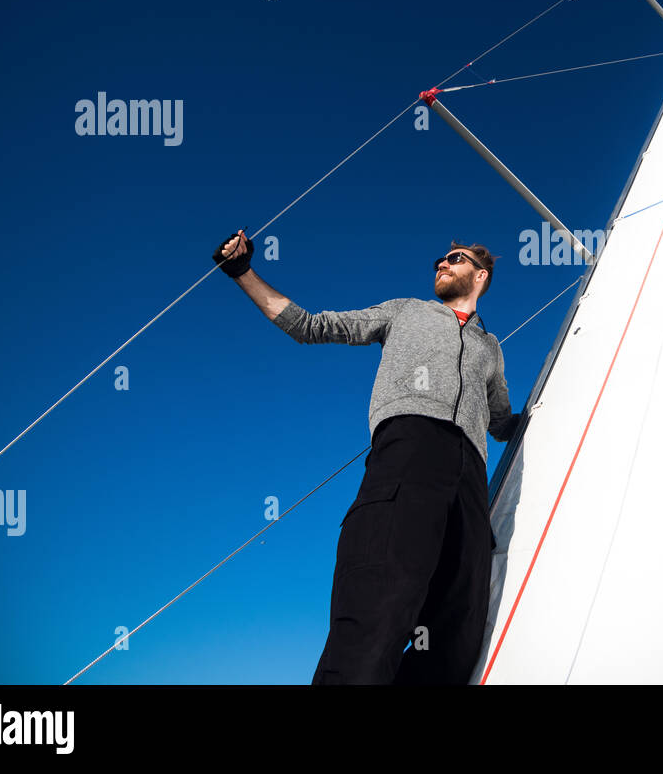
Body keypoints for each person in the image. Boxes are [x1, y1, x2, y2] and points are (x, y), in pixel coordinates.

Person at [213, 229, 520, 684]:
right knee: (379, 606)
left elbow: (501, 421)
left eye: (453, 258)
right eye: (439, 258)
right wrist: (242, 272)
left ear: (480, 274)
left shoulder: (489, 348)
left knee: (459, 625)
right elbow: (312, 327)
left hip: (470, 478)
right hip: (409, 452)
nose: (441, 263)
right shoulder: (404, 312)